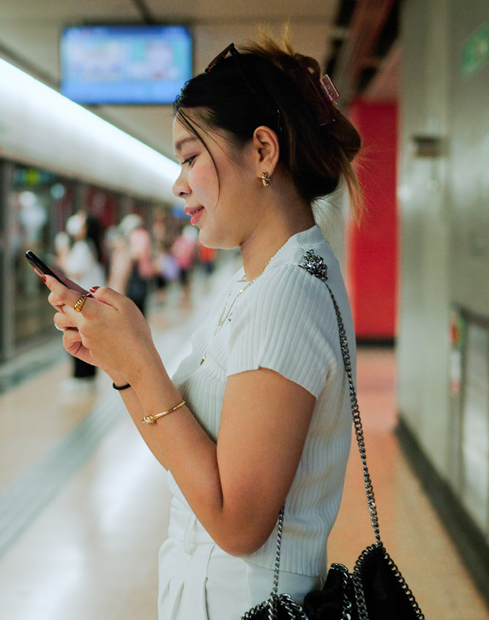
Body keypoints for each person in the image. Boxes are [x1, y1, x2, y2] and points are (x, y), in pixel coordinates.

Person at [44, 32, 363, 618]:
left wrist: (140, 358)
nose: (179, 182)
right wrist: (121, 365)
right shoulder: (260, 284)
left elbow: (237, 524)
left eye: (191, 156)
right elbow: (186, 455)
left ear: (262, 152)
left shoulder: (286, 295)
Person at [62, 212, 104, 382]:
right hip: (89, 299)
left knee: (78, 336)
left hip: (80, 301)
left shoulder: (82, 247)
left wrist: (62, 254)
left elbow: (76, 272)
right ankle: (87, 374)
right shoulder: (92, 246)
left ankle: (81, 375)